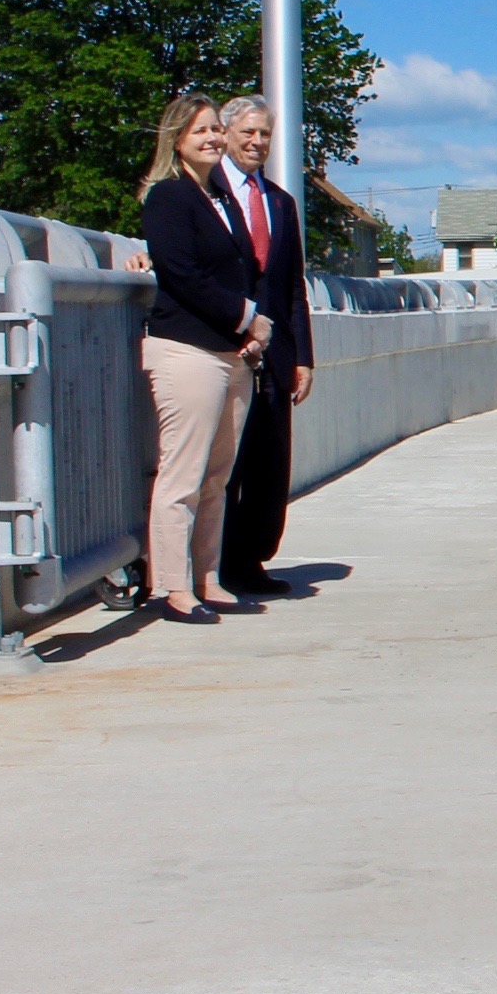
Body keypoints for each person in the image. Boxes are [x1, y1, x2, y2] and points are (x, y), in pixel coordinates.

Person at [135, 92, 270, 621]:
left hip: (231, 354)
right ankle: (172, 588)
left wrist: (251, 331)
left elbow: (239, 270)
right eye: (201, 131)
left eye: (216, 128)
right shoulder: (168, 197)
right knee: (183, 476)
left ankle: (207, 578)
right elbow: (182, 275)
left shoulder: (221, 197)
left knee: (217, 477)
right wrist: (247, 317)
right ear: (177, 140)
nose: (213, 138)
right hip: (187, 351)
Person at [215, 95, 312, 598]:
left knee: (269, 462)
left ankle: (250, 560)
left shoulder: (280, 202)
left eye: (265, 134)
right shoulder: (206, 194)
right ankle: (216, 562)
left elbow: (292, 286)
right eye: (248, 133)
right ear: (226, 134)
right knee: (225, 460)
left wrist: (303, 358)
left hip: (276, 354)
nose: (257, 142)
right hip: (222, 344)